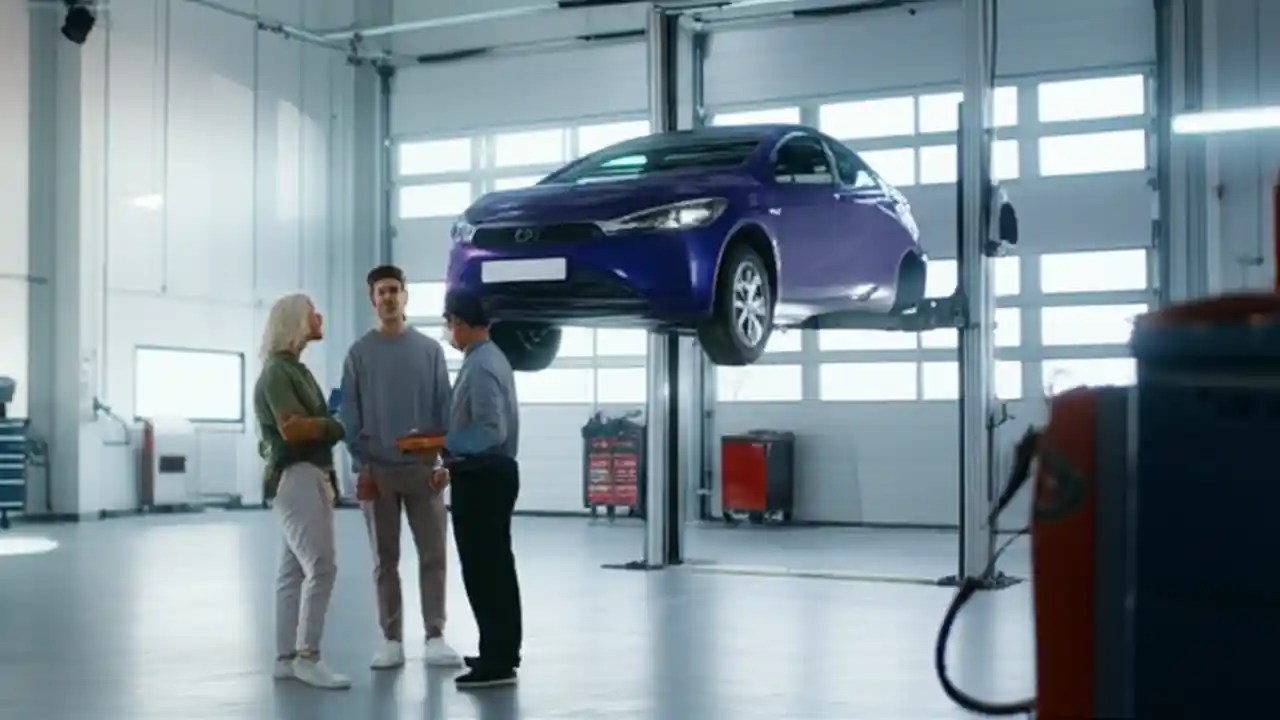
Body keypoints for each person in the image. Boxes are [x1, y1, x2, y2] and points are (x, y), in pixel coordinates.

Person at [340, 265, 462, 669]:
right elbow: (350, 413)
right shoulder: (359, 354)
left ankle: (435, 634)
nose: (389, 297)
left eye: (395, 290)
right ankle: (391, 639)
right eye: (381, 291)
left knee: (433, 555)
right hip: (379, 471)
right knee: (385, 559)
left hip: (424, 470)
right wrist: (362, 465)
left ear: (405, 297)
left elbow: (445, 407)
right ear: (372, 300)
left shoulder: (429, 351)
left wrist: (446, 461)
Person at [254, 292, 351, 690]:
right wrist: (337, 424)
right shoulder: (279, 373)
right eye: (312, 311)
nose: (319, 315)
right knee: (322, 566)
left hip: (303, 476)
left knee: (292, 570)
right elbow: (292, 427)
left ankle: (285, 658)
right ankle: (308, 657)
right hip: (298, 476)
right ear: (296, 321)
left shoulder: (296, 370)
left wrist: (326, 420)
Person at [430, 289, 523, 689]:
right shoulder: (488, 359)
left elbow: (490, 429)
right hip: (488, 475)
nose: (449, 332)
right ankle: (499, 650)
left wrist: (446, 444)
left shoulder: (482, 366)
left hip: (484, 478)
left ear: (461, 323)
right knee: (496, 569)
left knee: (485, 572)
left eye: (449, 323)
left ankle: (497, 662)